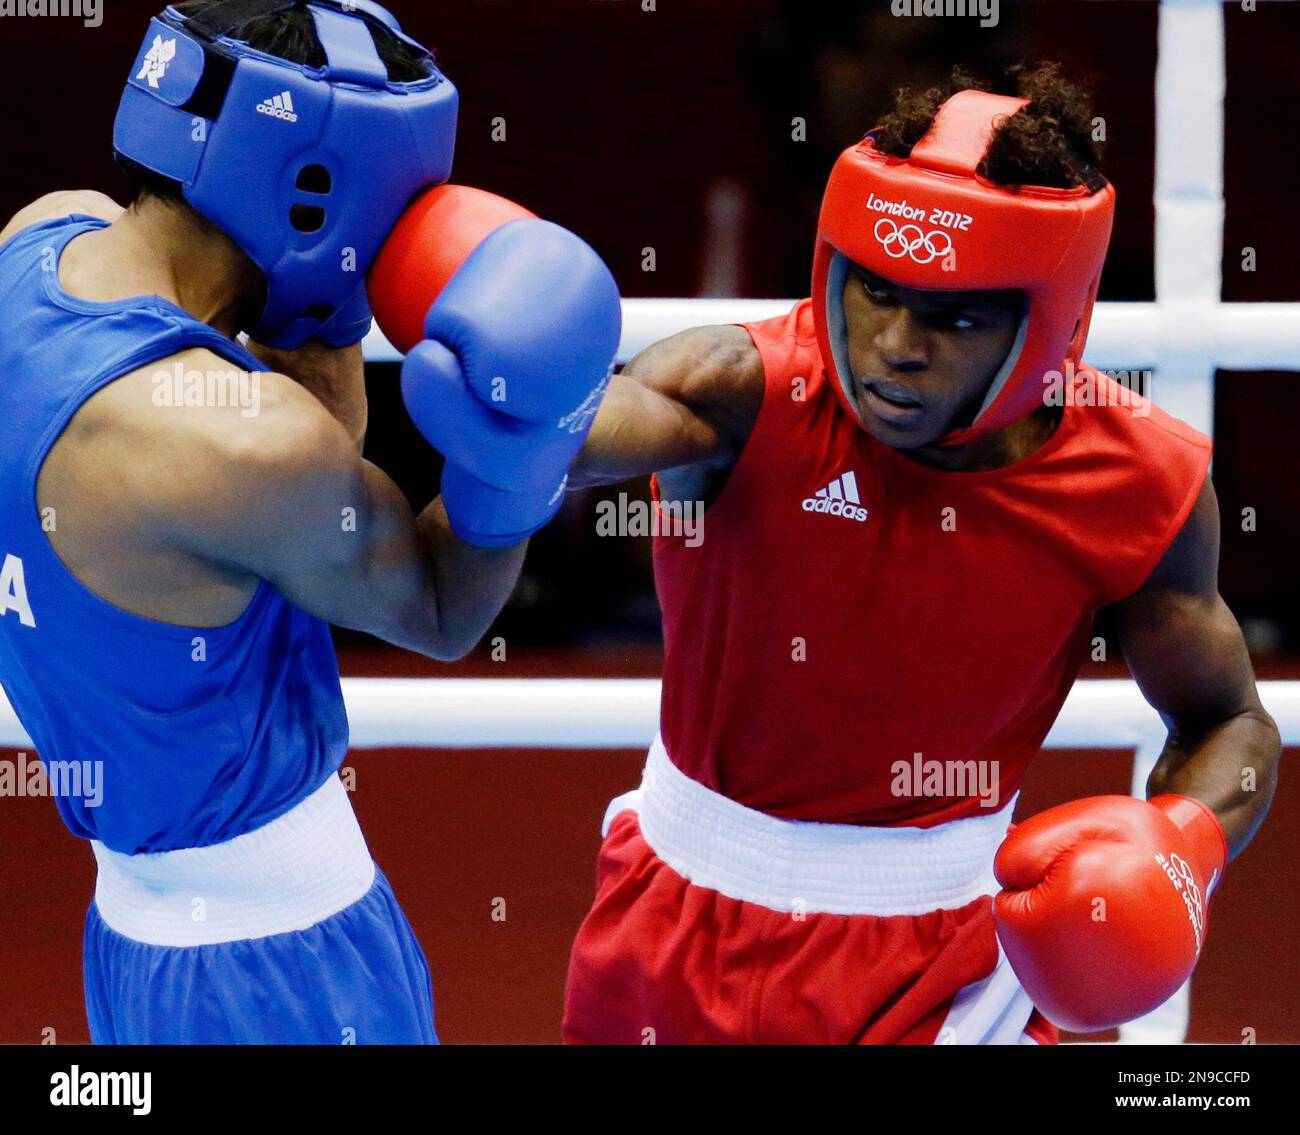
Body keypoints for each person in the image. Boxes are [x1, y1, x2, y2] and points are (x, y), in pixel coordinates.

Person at [561, 66, 1280, 1044]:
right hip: (679, 920)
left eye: (954, 316)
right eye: (874, 292)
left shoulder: (1137, 479)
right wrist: (514, 409)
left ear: (1053, 319)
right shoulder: (738, 390)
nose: (894, 345)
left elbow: (1228, 719)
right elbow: (575, 440)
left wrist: (1184, 846)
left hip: (952, 960)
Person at [0, 0, 619, 1043]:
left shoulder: (36, 241)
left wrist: (314, 316)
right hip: (285, 967)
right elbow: (437, 605)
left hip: (130, 940)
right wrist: (519, 457)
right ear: (316, 184)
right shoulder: (240, 443)